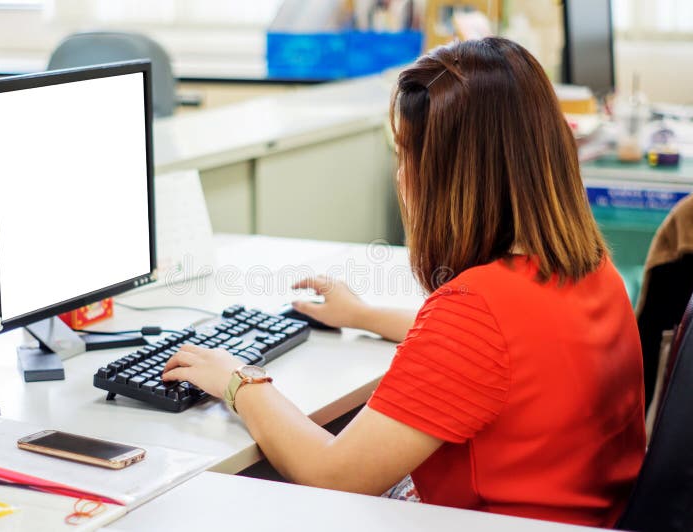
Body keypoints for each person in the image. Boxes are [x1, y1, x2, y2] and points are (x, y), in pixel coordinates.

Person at [162, 37, 645, 528]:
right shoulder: (588, 263)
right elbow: (511, 347)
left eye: (405, 154)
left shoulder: (473, 312)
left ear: (451, 179)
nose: (400, 175)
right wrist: (363, 316)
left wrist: (239, 382)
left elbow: (332, 474)